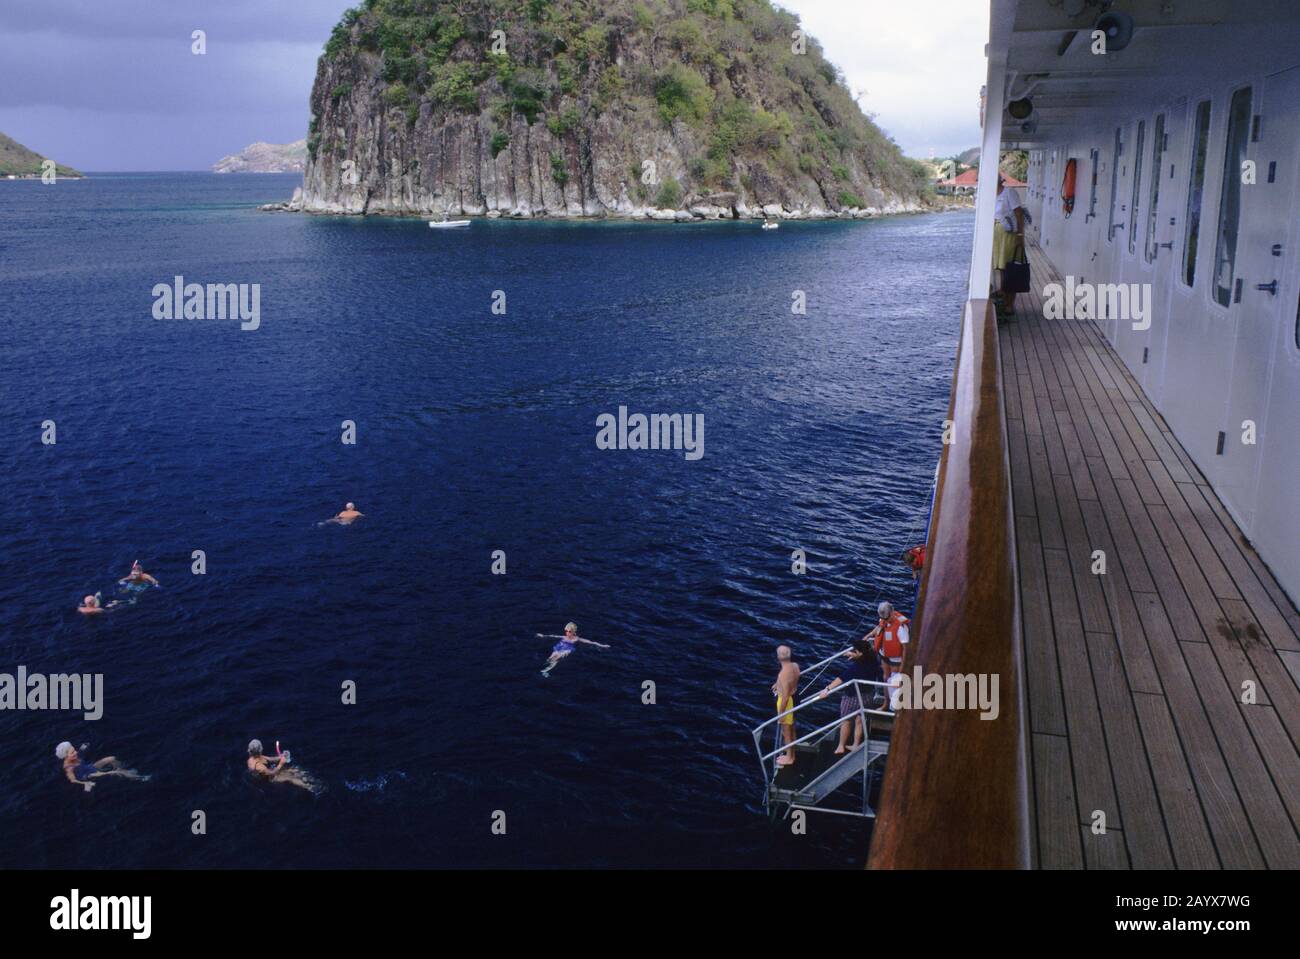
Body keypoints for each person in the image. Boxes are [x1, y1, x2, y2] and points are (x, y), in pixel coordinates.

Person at [816, 640, 883, 754]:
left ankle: (841, 746)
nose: (851, 652)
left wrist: (827, 690)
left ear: (860, 653)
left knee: (846, 721)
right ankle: (855, 744)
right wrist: (852, 655)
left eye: (854, 651)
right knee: (860, 720)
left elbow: (841, 678)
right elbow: (876, 669)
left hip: (853, 696)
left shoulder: (856, 668)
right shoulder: (873, 660)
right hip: (868, 695)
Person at [993, 174, 1026, 315]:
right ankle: (1003, 293)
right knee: (1001, 267)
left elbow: (1019, 213)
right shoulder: (990, 193)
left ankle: (1010, 304)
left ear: (999, 180)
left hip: (1009, 234)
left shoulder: (1009, 193)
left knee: (1010, 268)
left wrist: (1020, 234)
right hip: (996, 234)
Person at [56, 742, 148, 791]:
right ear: (65, 756)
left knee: (111, 758)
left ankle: (120, 768)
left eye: (74, 750)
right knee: (117, 772)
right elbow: (72, 780)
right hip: (90, 774)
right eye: (72, 752)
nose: (75, 752)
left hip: (90, 767)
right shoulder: (69, 767)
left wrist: (84, 746)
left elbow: (82, 750)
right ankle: (140, 778)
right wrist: (86, 783)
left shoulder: (75, 756)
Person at [247, 739, 319, 792]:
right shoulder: (258, 766)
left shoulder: (255, 756)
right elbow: (272, 773)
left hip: (271, 771)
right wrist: (281, 763)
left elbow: (270, 759)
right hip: (270, 778)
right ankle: (311, 787)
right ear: (260, 749)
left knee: (294, 770)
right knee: (290, 778)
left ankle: (311, 780)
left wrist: (281, 756)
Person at [538, 622, 609, 676]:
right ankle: (542, 667)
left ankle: (546, 671)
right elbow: (553, 636)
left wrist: (603, 645)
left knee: (557, 658)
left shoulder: (576, 639)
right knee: (550, 658)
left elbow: (591, 642)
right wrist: (543, 636)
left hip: (567, 649)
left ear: (573, 631)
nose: (567, 633)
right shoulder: (564, 637)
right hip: (560, 646)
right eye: (566, 631)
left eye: (569, 631)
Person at [865, 601, 911, 682]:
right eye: (882, 618)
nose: (884, 620)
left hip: (896, 658)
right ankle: (886, 695)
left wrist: (901, 669)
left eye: (886, 618)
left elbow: (905, 649)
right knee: (886, 677)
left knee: (894, 680)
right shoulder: (884, 619)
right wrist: (868, 636)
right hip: (884, 654)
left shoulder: (901, 628)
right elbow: (879, 626)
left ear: (892, 612)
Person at [771, 645, 801, 766]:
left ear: (778, 657)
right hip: (795, 697)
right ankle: (791, 753)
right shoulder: (795, 666)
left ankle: (790, 757)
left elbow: (785, 697)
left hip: (787, 702)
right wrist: (777, 684)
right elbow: (792, 679)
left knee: (786, 731)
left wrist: (780, 714)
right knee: (791, 728)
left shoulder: (783, 674)